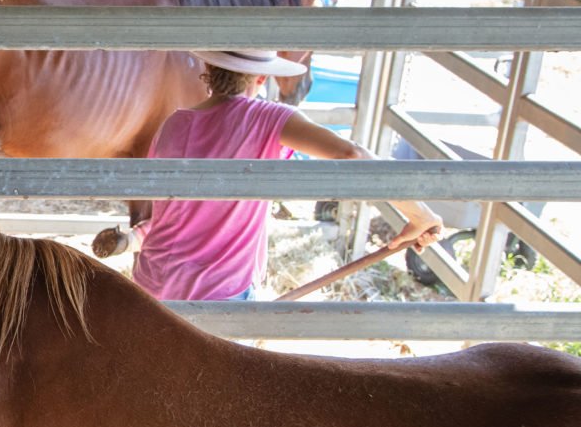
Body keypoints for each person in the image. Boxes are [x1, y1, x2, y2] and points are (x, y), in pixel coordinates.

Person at [92, 50, 443, 301]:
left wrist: (136, 239)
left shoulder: (174, 124)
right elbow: (350, 154)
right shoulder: (269, 118)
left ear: (209, 70)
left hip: (152, 287)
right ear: (261, 78)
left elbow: (174, 211)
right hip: (219, 295)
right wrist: (418, 214)